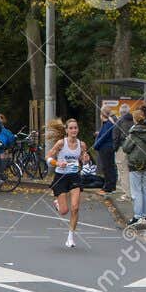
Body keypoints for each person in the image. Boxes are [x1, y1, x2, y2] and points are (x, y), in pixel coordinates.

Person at [47, 118, 91, 248]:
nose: (73, 130)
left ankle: (70, 237)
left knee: (75, 207)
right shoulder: (61, 143)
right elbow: (48, 157)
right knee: (64, 211)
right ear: (66, 130)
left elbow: (85, 160)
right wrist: (57, 163)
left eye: (75, 128)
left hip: (74, 177)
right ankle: (57, 204)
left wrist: (86, 159)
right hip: (61, 177)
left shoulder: (82, 145)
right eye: (71, 128)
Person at [122, 102, 146, 226]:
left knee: (136, 191)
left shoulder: (134, 132)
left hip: (135, 163)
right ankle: (144, 216)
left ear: (135, 119)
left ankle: (137, 216)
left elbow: (126, 148)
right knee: (144, 190)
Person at [92, 106, 119, 193]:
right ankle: (111, 186)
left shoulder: (107, 124)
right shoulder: (108, 123)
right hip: (107, 147)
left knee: (107, 167)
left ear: (102, 114)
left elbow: (103, 137)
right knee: (109, 167)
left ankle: (108, 187)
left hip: (106, 148)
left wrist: (95, 145)